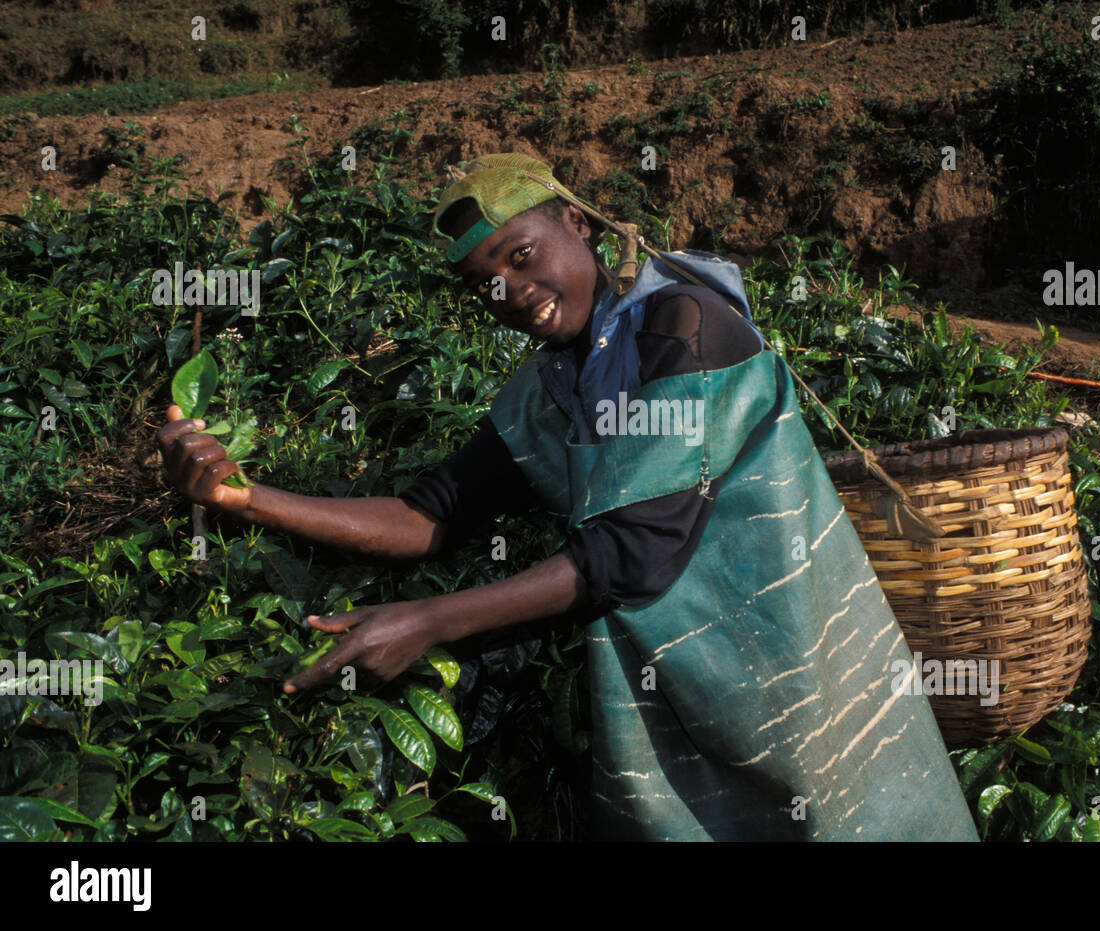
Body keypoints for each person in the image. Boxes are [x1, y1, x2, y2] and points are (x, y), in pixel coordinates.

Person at [156, 152, 978, 841]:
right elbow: (430, 513)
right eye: (487, 283)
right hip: (685, 722)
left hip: (804, 691)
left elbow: (632, 551)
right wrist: (241, 495)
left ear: (576, 225)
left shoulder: (687, 325)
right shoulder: (548, 390)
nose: (510, 290)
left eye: (520, 255)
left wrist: (426, 620)